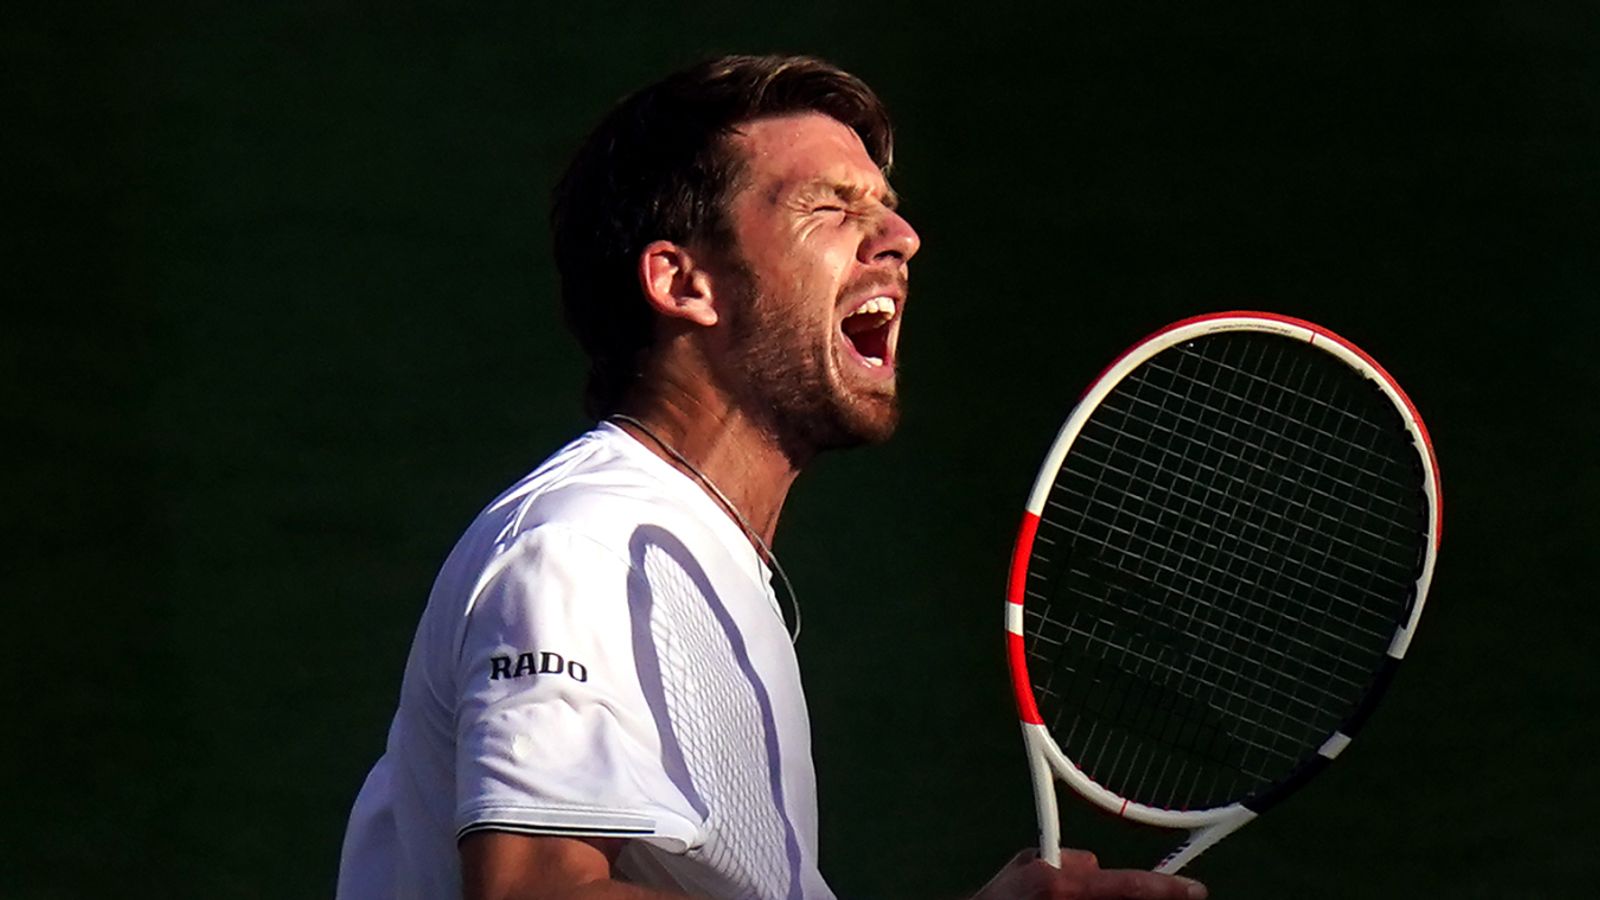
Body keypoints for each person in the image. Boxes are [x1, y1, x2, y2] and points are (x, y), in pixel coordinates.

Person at [336, 54, 1207, 900]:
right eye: (830, 207)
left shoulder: (704, 563)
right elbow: (532, 893)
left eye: (886, 207)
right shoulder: (586, 547)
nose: (902, 238)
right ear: (683, 282)